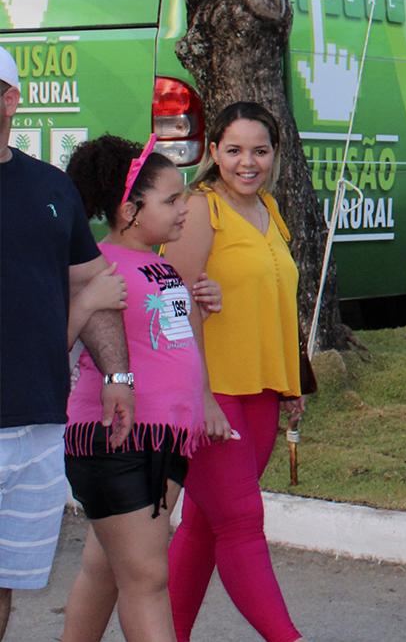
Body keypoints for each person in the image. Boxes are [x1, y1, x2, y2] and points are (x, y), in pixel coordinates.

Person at [61, 137, 231, 642]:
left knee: (108, 569)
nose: (185, 209)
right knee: (148, 577)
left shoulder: (158, 263)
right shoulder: (98, 265)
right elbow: (62, 339)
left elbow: (169, 340)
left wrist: (202, 299)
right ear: (130, 210)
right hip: (120, 439)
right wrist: (88, 301)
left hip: (163, 441)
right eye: (171, 200)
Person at [0, 46, 134, 641]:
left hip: (36, 424)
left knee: (1, 586)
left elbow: (93, 285)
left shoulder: (52, 189)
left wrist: (116, 377)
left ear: (9, 99)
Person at [162, 101, 307, 642]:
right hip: (212, 394)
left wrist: (292, 382)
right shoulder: (201, 210)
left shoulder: (269, 208)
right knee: (242, 523)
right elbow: (171, 305)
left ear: (275, 154)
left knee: (205, 525)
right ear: (214, 153)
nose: (249, 162)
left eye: (260, 150)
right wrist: (199, 398)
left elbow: (272, 298)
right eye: (235, 150)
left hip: (264, 393)